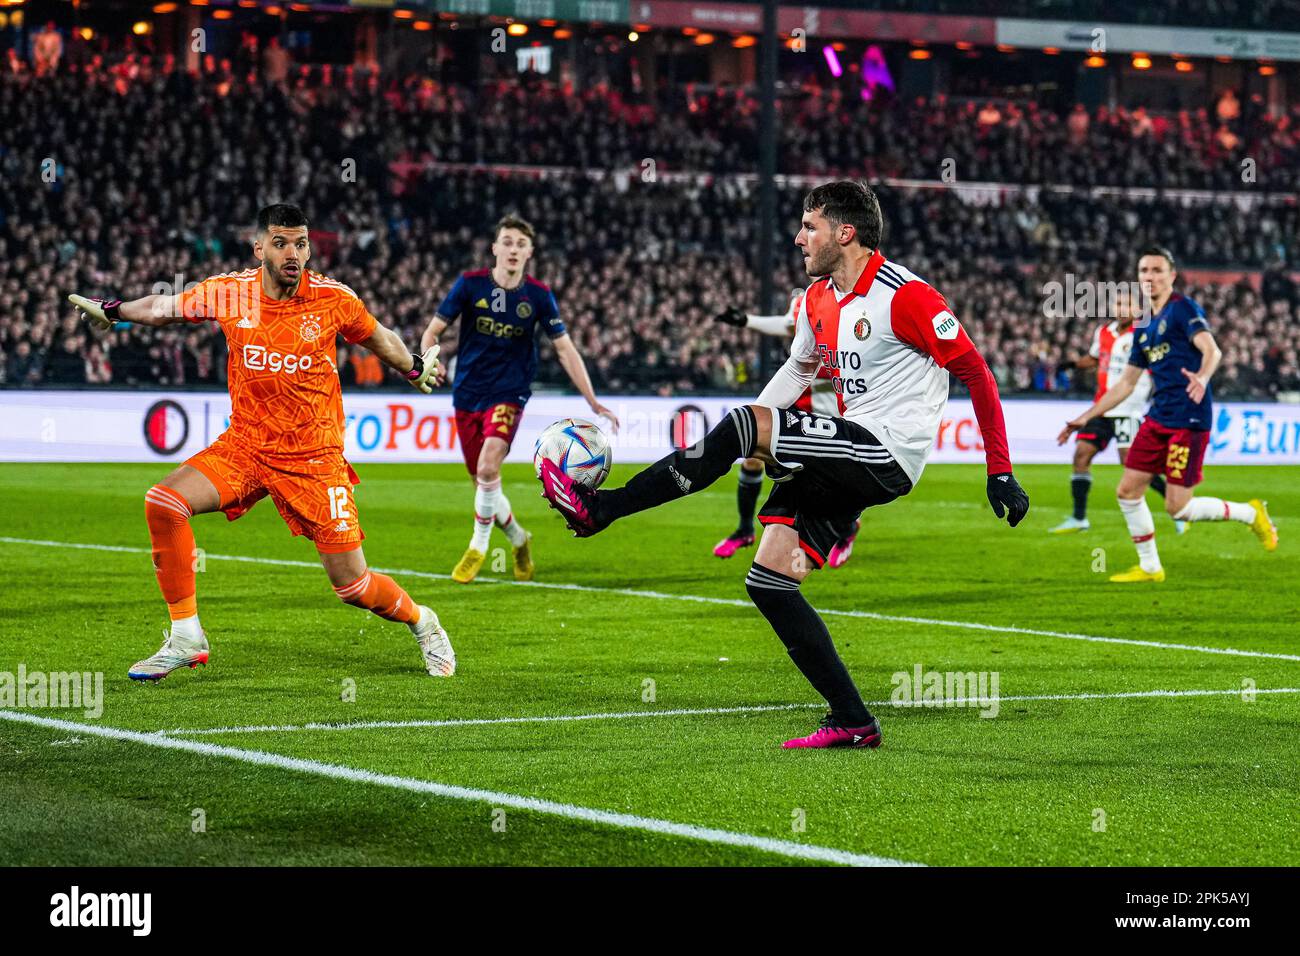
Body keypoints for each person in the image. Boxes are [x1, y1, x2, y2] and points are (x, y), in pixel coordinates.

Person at [540, 181, 1029, 749]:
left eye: (810, 226)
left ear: (845, 233)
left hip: (886, 451)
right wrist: (752, 432)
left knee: (748, 425)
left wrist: (999, 470)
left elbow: (978, 373)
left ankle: (603, 508)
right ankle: (852, 720)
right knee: (770, 580)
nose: (799, 238)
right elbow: (799, 371)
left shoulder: (908, 296)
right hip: (843, 453)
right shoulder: (819, 297)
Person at [69, 203, 455, 680]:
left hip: (314, 458)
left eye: (300, 244)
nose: (292, 253)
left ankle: (424, 622)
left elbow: (379, 337)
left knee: (352, 586)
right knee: (164, 502)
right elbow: (166, 308)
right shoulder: (231, 293)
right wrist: (114, 311)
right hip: (247, 447)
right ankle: (186, 635)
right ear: (259, 248)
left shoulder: (333, 299)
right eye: (280, 243)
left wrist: (415, 368)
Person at [1057, 247, 1277, 582]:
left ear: (1171, 276)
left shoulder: (1182, 309)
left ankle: (1250, 513)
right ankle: (1150, 567)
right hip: (1159, 417)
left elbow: (1211, 349)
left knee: (1179, 507)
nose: (1150, 277)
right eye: (1144, 271)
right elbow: (1126, 384)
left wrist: (1202, 377)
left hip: (1188, 419)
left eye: (1158, 270)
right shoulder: (1144, 328)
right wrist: (1086, 417)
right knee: (1127, 491)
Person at [420, 214, 618, 584]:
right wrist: (429, 360)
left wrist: (592, 401)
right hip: (466, 394)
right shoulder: (469, 285)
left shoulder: (539, 296)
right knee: (484, 481)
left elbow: (565, 350)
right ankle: (518, 538)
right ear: (495, 248)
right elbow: (431, 333)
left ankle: (477, 547)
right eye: (507, 242)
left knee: (488, 467)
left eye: (520, 244)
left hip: (509, 393)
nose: (513, 249)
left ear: (530, 252)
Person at [712, 290, 862, 567]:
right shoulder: (809, 300)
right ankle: (745, 529)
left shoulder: (856, 307)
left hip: (826, 404)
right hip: (794, 394)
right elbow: (785, 324)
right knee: (753, 457)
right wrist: (746, 320)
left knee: (830, 477)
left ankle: (847, 530)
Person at [1048, 286, 1186, 535]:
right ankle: (1079, 518)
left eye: (1126, 305)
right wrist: (1071, 364)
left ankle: (1178, 509)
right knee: (1081, 456)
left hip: (1128, 410)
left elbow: (1160, 365)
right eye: (1118, 304)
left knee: (1133, 465)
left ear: (1137, 309)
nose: (1121, 309)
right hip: (1101, 408)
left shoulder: (1145, 334)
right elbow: (1095, 358)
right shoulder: (1104, 332)